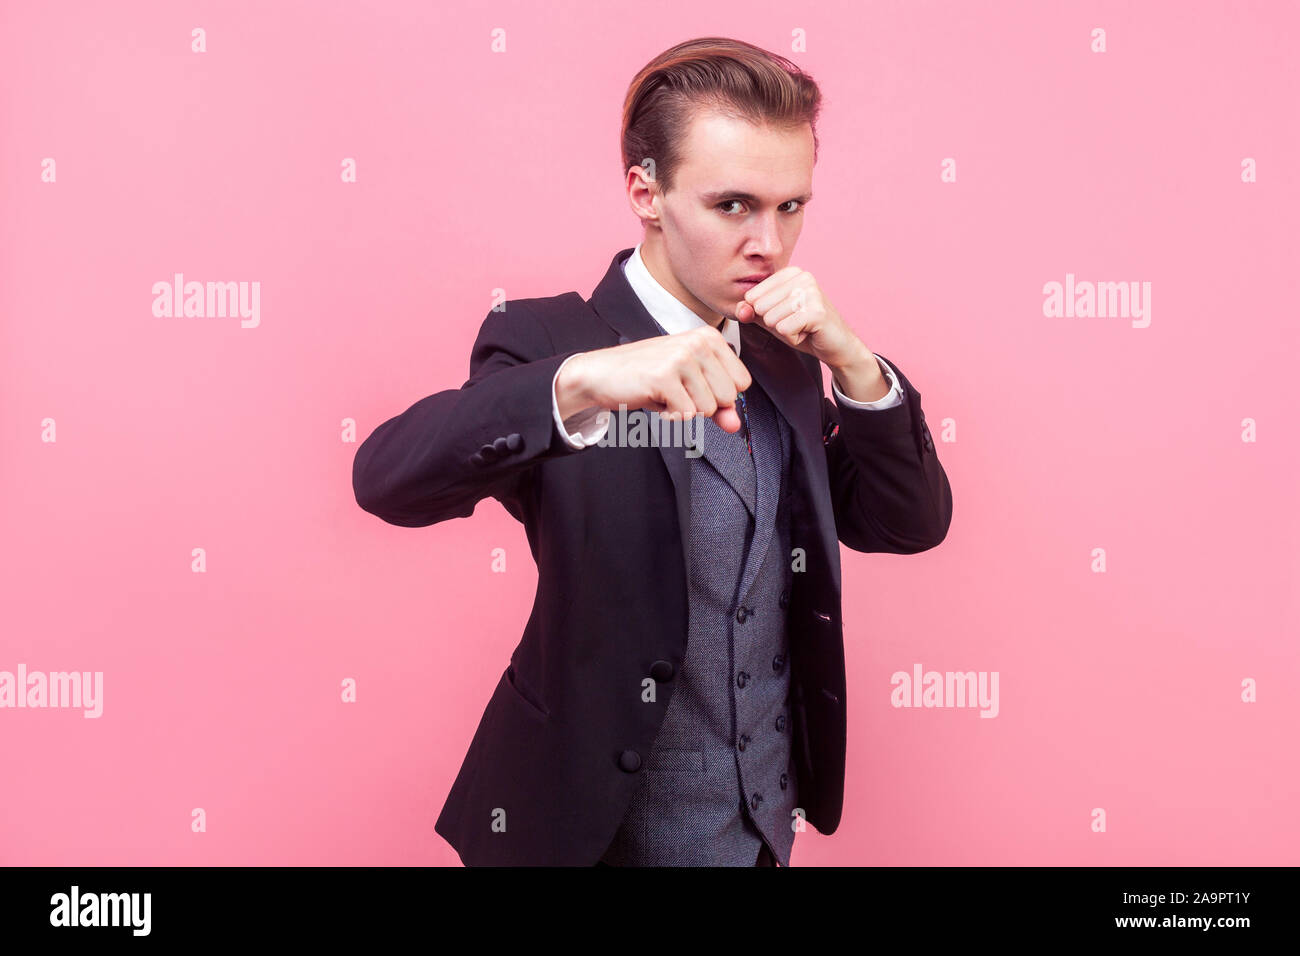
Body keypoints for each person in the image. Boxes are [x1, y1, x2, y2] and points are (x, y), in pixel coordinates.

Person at [351, 36, 952, 867]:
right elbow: (387, 481)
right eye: (733, 205)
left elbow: (907, 523)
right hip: (591, 832)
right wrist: (584, 382)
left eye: (791, 207)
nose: (770, 245)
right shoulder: (549, 340)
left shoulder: (785, 353)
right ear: (646, 191)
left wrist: (853, 361)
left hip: (761, 830)